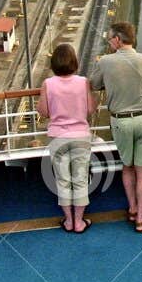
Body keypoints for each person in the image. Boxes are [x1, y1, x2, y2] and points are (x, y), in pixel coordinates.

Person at [89, 21, 142, 232]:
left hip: (121, 121)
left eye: (110, 39)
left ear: (118, 40)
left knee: (127, 167)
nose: (109, 43)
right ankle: (141, 219)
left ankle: (132, 208)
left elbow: (94, 84)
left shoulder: (105, 62)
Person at [39, 42, 96, 233]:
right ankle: (79, 222)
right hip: (81, 135)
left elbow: (44, 111)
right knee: (80, 179)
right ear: (74, 62)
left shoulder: (48, 84)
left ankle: (69, 221)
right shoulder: (83, 82)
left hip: (58, 136)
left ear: (54, 63)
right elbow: (90, 109)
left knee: (62, 180)